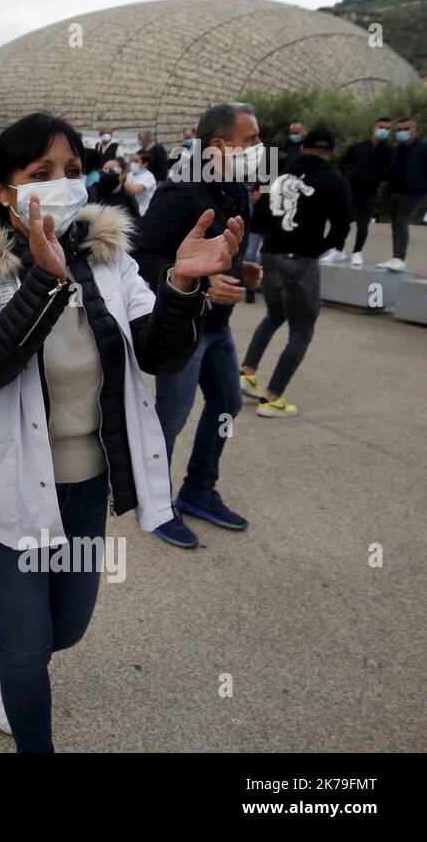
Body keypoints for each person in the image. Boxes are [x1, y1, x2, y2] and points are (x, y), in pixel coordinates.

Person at [0, 112, 228, 752]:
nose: (63, 184)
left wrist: (180, 287)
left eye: (71, 170)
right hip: (5, 493)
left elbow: (158, 353)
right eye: (40, 174)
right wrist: (42, 278)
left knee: (66, 629)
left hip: (84, 491)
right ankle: (14, 682)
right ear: (3, 189)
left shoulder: (108, 257)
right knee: (31, 650)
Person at [133, 102, 262, 550]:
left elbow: (217, 249)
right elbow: (142, 258)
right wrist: (204, 283)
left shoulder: (236, 188)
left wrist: (240, 267)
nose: (259, 149)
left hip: (218, 326)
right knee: (169, 420)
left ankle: (199, 491)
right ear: (219, 146)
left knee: (228, 403)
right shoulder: (181, 191)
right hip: (182, 327)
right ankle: (155, 504)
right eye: (251, 141)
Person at [239, 127, 351, 418]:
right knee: (302, 330)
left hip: (270, 255)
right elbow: (342, 226)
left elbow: (259, 218)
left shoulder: (281, 174)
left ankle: (248, 372)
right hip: (301, 261)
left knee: (274, 314)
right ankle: (273, 397)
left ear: (303, 149)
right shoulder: (334, 180)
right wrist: (319, 248)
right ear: (332, 152)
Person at [331, 118, 392, 266]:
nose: (383, 130)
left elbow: (391, 171)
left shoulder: (389, 151)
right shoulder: (357, 147)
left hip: (370, 192)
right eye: (381, 127)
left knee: (363, 224)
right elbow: (342, 165)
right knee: (343, 221)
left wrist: (377, 177)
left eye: (387, 128)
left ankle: (357, 252)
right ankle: (338, 251)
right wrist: (350, 175)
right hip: (351, 190)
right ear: (374, 128)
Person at [378, 117, 427, 272]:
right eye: (399, 130)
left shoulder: (423, 147)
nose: (402, 133)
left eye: (406, 129)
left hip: (416, 192)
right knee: (395, 224)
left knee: (401, 221)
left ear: (415, 130)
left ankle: (400, 258)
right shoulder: (397, 149)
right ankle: (395, 256)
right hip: (397, 192)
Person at [87, 157, 140, 221]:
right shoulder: (91, 193)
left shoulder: (128, 200)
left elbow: (137, 224)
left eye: (111, 171)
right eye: (102, 172)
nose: (106, 174)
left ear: (123, 174)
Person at [126, 150, 158, 215]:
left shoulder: (148, 176)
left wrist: (122, 180)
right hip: (132, 210)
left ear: (145, 163)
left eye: (136, 161)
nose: (133, 163)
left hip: (145, 211)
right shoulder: (130, 175)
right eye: (132, 160)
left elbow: (135, 190)